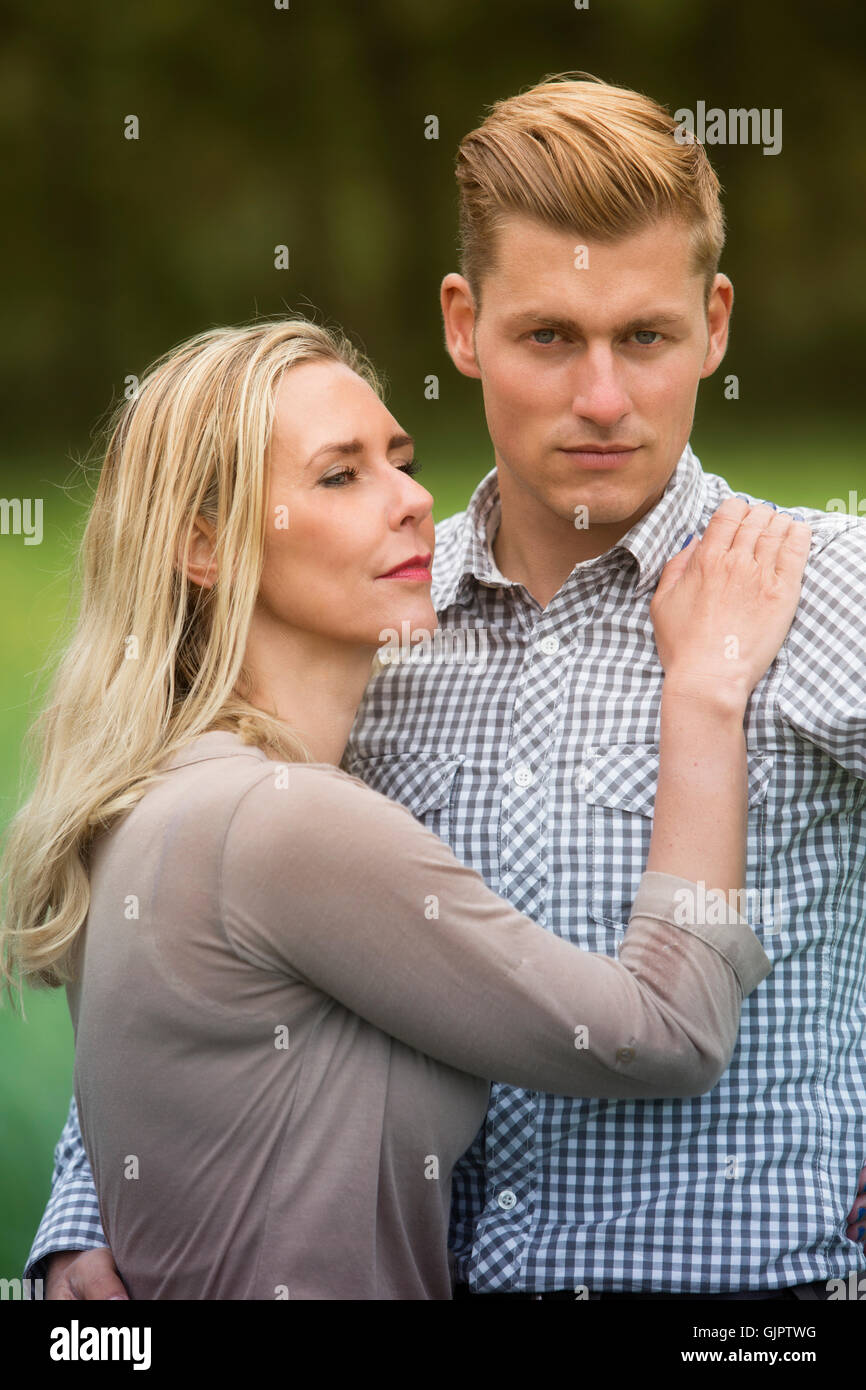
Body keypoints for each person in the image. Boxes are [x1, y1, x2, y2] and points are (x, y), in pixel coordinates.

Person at [22, 73, 866, 1301]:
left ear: (714, 323)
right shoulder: (367, 622)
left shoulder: (819, 586)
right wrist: (88, 1208)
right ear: (463, 326)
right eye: (546, 338)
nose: (599, 399)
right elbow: (206, 961)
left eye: (643, 337)